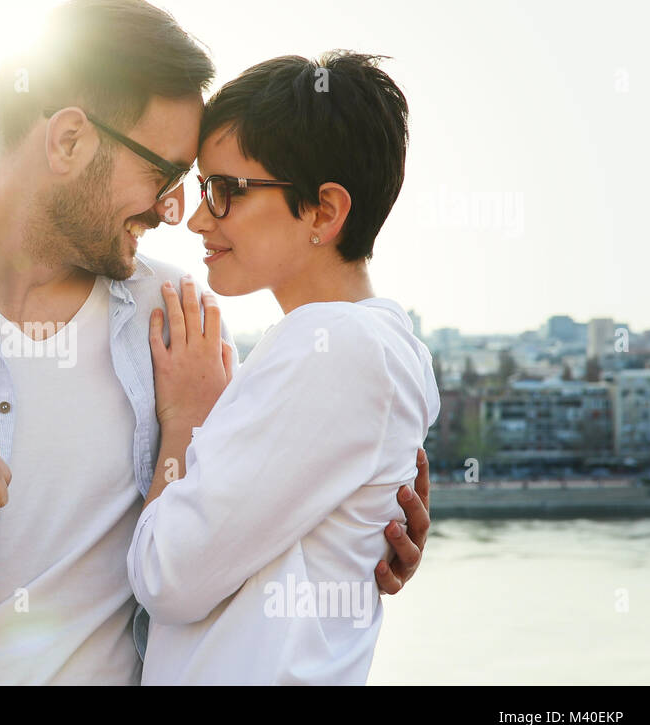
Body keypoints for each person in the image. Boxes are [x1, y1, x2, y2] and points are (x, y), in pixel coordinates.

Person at [0, 0, 431, 686]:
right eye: (165, 176)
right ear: (68, 140)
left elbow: (235, 521)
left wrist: (365, 529)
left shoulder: (180, 320)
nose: (174, 211)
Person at [128, 52, 440, 684]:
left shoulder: (334, 346)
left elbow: (170, 576)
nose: (196, 217)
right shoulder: (371, 344)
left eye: (225, 191)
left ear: (324, 212)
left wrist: (187, 419)